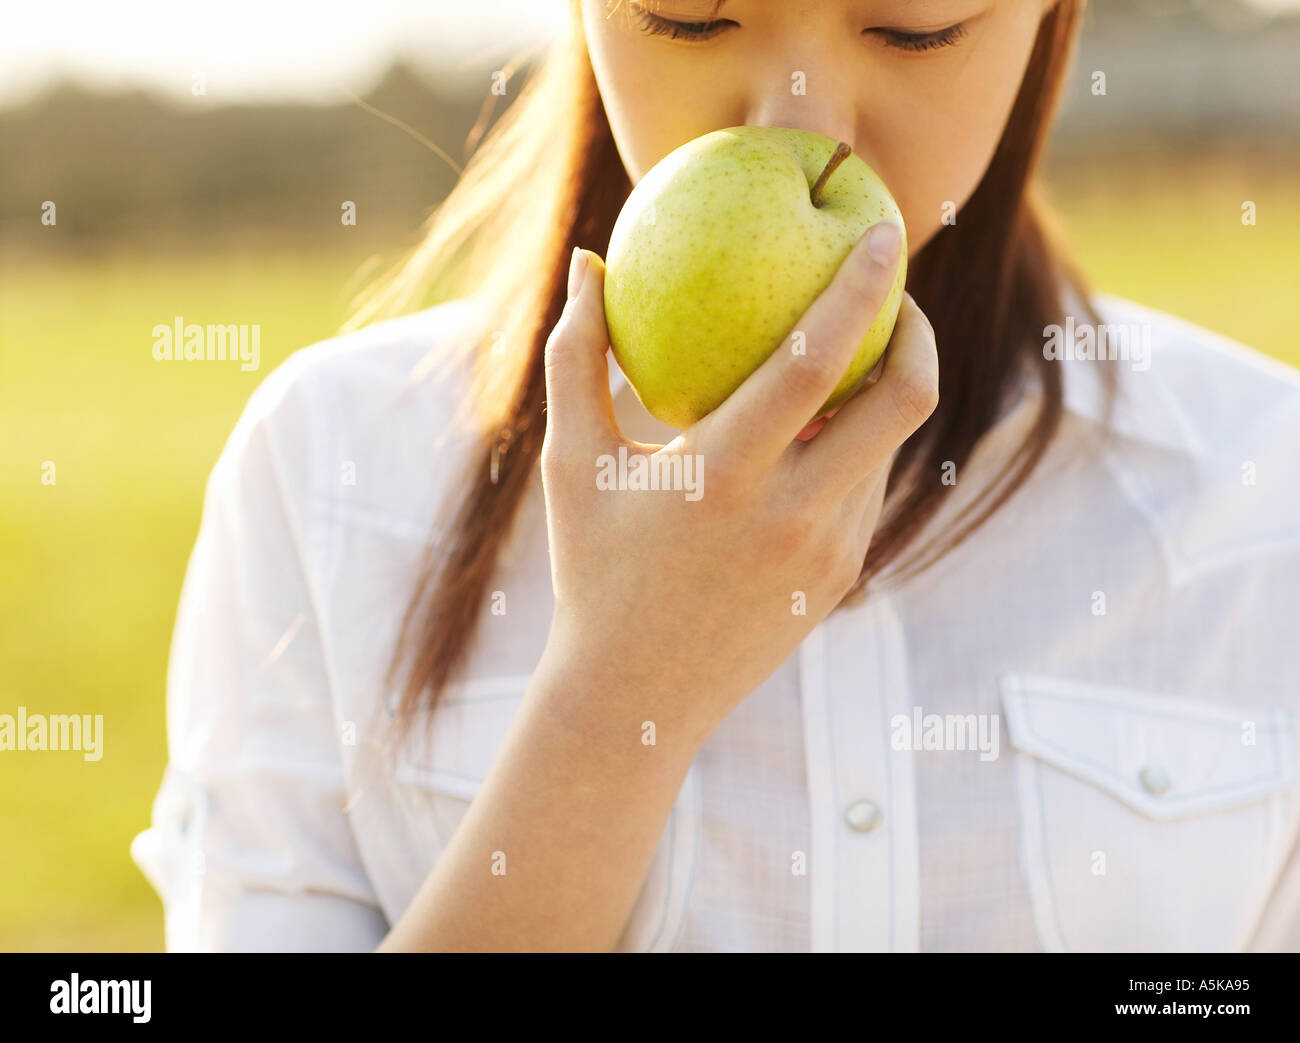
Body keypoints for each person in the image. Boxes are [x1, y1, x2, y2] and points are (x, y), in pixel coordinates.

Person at [132, 0, 1300, 952]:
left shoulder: (1262, 491)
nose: (794, 121)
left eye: (911, 30)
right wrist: (616, 698)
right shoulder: (328, 471)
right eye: (689, 19)